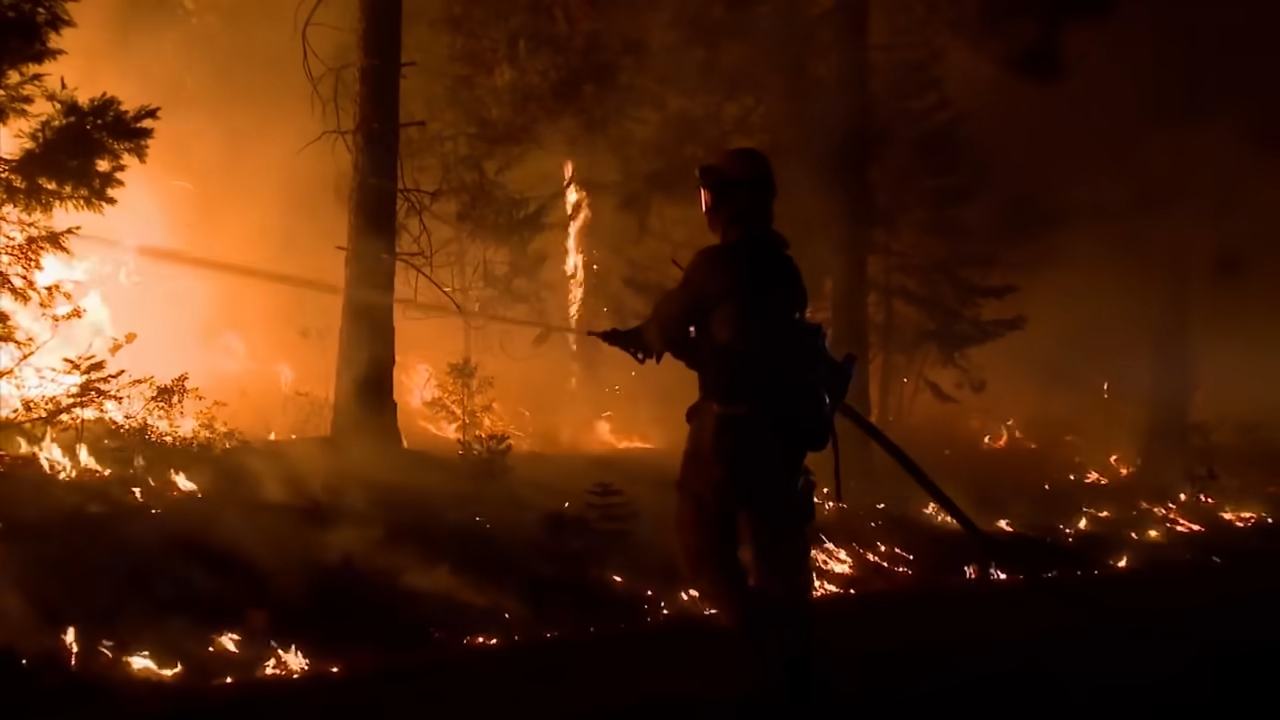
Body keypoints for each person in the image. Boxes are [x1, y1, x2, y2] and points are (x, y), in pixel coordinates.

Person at [595, 148, 829, 693]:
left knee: (700, 541)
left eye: (713, 196)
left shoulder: (715, 266)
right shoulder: (784, 269)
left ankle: (758, 642)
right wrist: (688, 347)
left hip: (728, 434)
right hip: (783, 439)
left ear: (730, 201)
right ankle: (790, 662)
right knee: (778, 556)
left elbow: (669, 326)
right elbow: (741, 343)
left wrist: (641, 339)